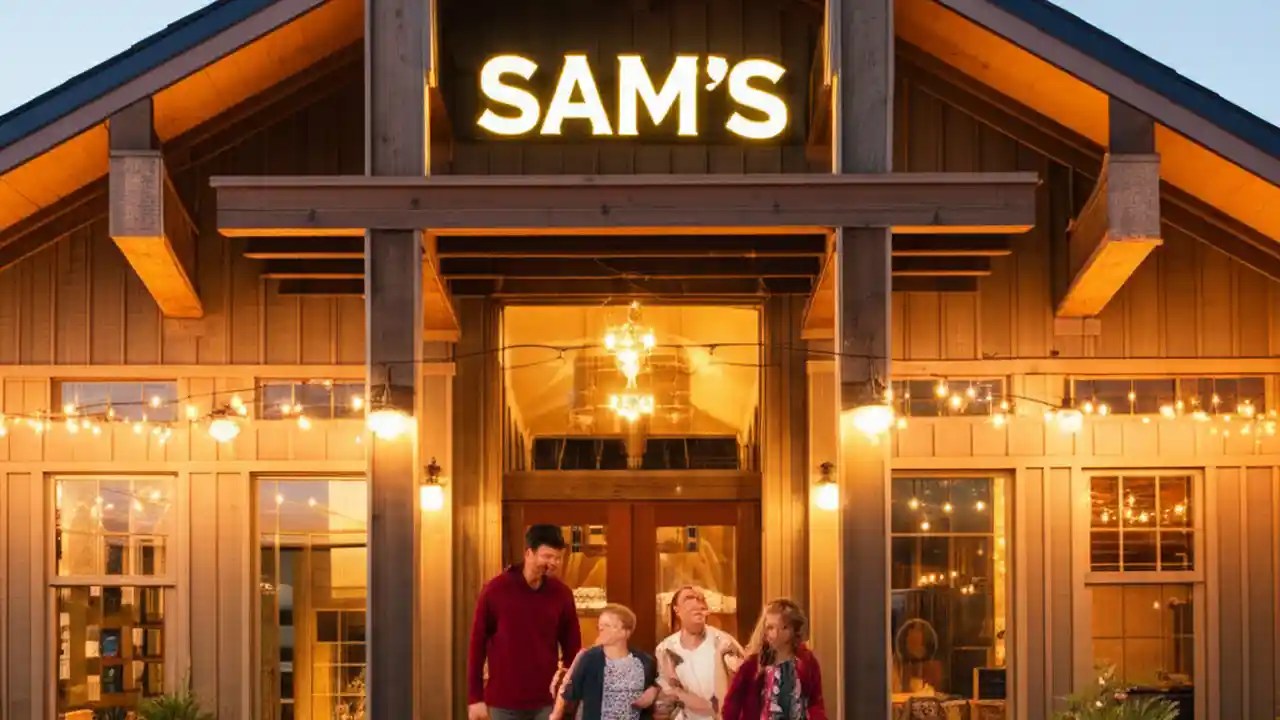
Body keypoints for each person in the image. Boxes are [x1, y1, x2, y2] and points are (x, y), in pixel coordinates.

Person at [469, 524, 583, 720]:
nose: (553, 563)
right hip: (503, 700)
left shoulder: (562, 594)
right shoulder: (496, 590)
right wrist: (475, 698)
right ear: (529, 553)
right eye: (547, 556)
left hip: (547, 700)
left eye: (557, 558)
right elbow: (477, 646)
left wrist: (568, 695)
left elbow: (572, 647)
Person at [721, 599, 827, 720]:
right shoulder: (752, 665)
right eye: (770, 628)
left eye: (784, 628)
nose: (776, 634)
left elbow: (815, 702)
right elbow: (732, 705)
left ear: (794, 630)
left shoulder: (807, 661)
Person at [551, 604, 661, 720]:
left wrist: (654, 691)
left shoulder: (644, 661)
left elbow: (660, 685)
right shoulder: (589, 659)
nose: (601, 629)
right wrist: (555, 715)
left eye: (607, 625)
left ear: (625, 632)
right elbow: (569, 693)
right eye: (600, 625)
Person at [655, 585, 745, 719]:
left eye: (700, 599)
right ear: (676, 609)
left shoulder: (723, 642)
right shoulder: (666, 649)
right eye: (688, 598)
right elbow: (668, 696)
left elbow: (738, 688)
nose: (696, 602)